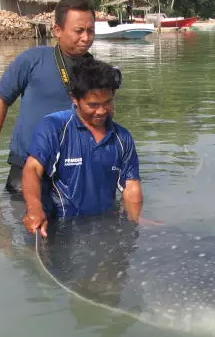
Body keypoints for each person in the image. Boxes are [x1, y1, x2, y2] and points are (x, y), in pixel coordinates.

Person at [0, 0, 120, 195]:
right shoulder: (31, 60)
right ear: (57, 30)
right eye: (78, 31)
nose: (86, 37)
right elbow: (0, 99)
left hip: (74, 164)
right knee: (23, 220)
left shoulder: (96, 71)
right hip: (27, 162)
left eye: (90, 31)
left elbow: (105, 114)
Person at [21, 58, 143, 237]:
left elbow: (131, 187)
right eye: (93, 105)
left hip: (104, 224)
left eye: (107, 102)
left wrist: (135, 221)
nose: (102, 111)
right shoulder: (54, 127)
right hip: (59, 226)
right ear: (75, 99)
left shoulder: (122, 137)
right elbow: (32, 169)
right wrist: (34, 208)